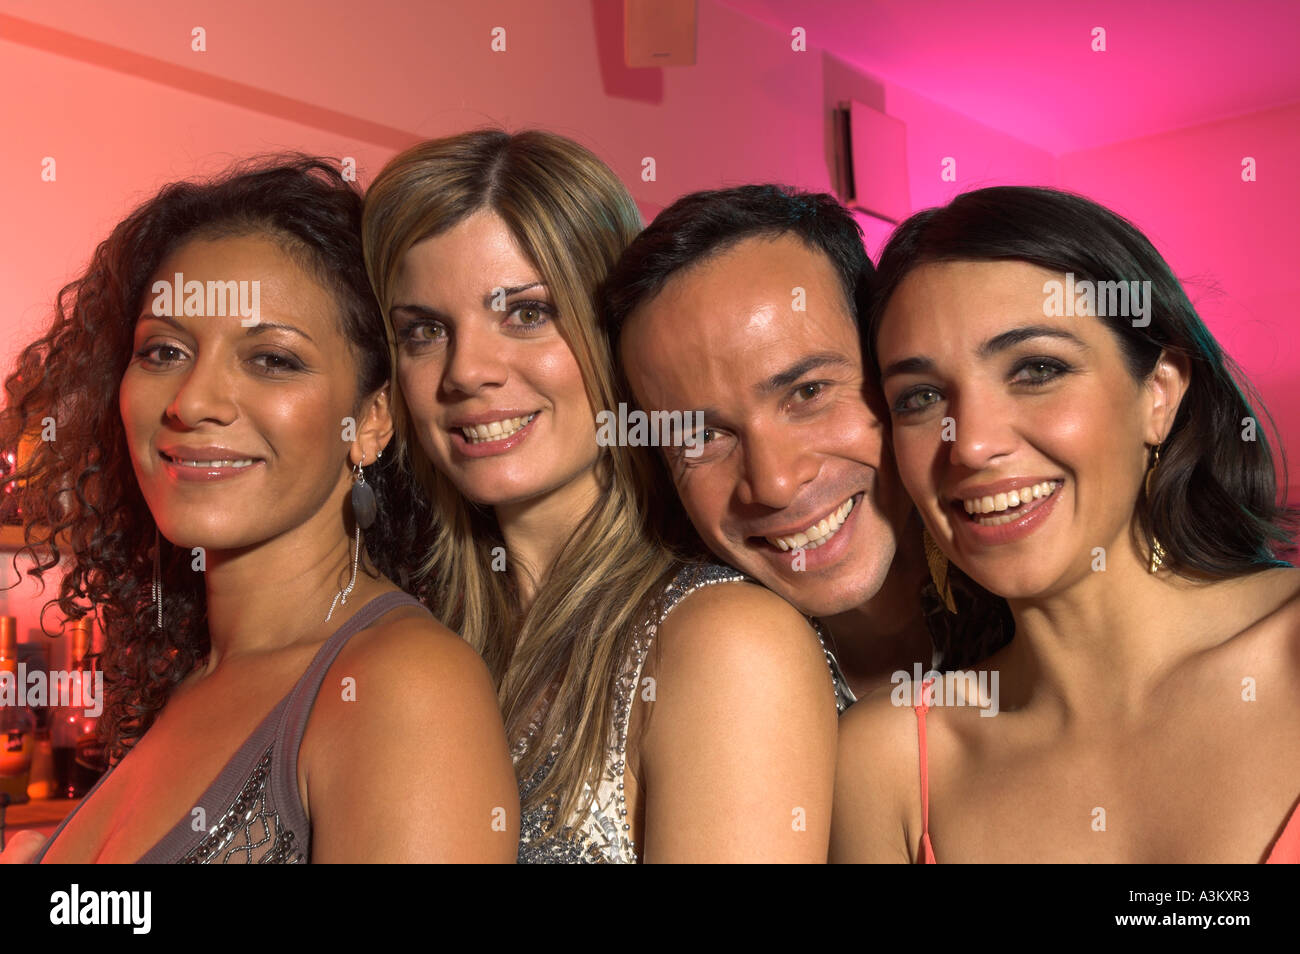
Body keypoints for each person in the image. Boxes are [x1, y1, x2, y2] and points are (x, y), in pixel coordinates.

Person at [0, 156, 518, 863]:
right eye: (164, 350)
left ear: (371, 419)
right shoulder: (190, 682)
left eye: (272, 359)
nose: (194, 401)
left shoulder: (404, 688)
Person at [363, 130, 839, 862]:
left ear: (611, 335)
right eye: (425, 331)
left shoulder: (724, 642)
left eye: (526, 312)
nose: (467, 371)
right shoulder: (420, 635)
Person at [833, 185, 1300, 863]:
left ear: (1159, 396)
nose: (971, 444)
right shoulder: (892, 763)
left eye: (1036, 369)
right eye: (922, 397)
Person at [602, 184, 1008, 701]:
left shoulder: (1035, 582)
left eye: (807, 393)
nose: (773, 483)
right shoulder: (696, 684)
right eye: (702, 435)